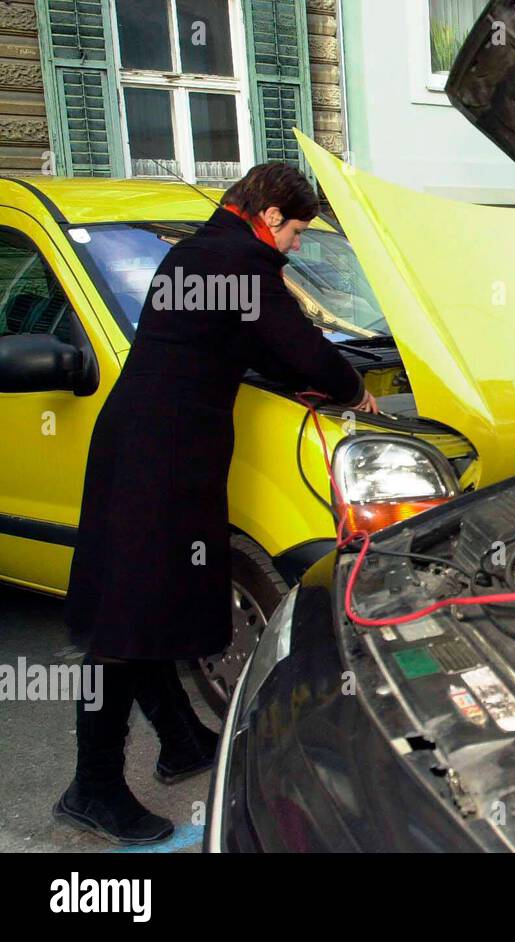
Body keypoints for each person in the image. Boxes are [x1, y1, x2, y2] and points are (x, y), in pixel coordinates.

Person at [56, 163, 378, 844]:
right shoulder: (242, 264)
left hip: (145, 448)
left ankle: (178, 741)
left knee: (150, 604)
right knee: (125, 621)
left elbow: (230, 342)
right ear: (266, 216)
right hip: (156, 461)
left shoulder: (198, 252)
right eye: (294, 230)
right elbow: (299, 346)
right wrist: (353, 389)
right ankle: (92, 788)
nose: (294, 245)